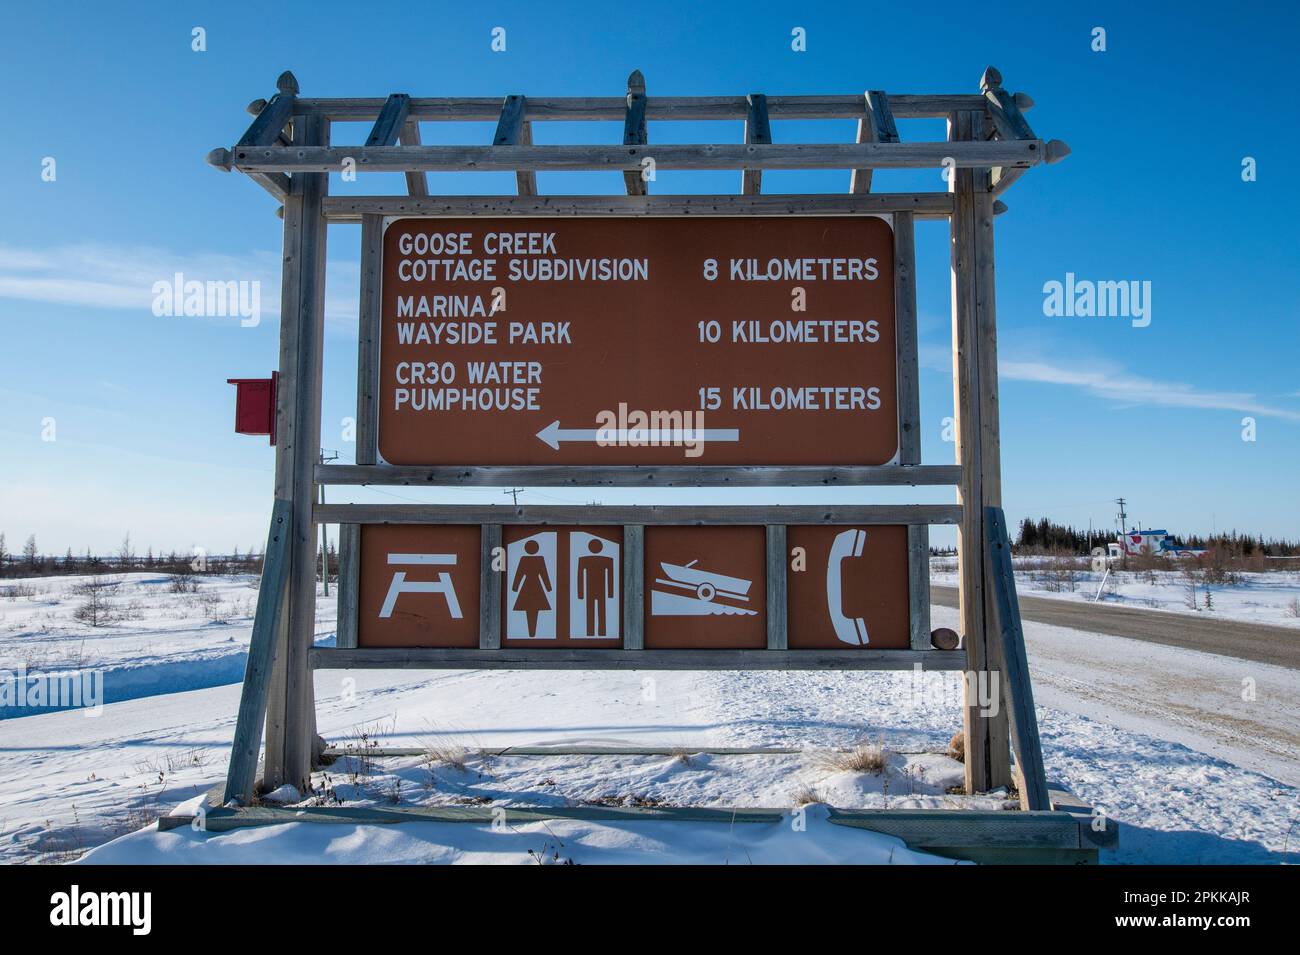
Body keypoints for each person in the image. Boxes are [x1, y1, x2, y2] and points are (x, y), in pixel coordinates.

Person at [511, 538, 552, 638]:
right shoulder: (539, 559)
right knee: (533, 609)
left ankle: (532, 633)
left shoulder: (525, 559)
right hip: (536, 586)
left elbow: (519, 574)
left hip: (527, 586)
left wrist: (515, 587)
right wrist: (548, 588)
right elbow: (544, 575)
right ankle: (532, 633)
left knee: (530, 609)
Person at [576, 538, 614, 637]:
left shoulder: (585, 560)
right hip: (597, 590)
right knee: (599, 610)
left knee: (593, 610)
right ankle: (596, 632)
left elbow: (610, 576)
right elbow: (580, 576)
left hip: (593, 590)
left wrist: (581, 593)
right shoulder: (606, 560)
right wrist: (610, 593)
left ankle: (592, 632)